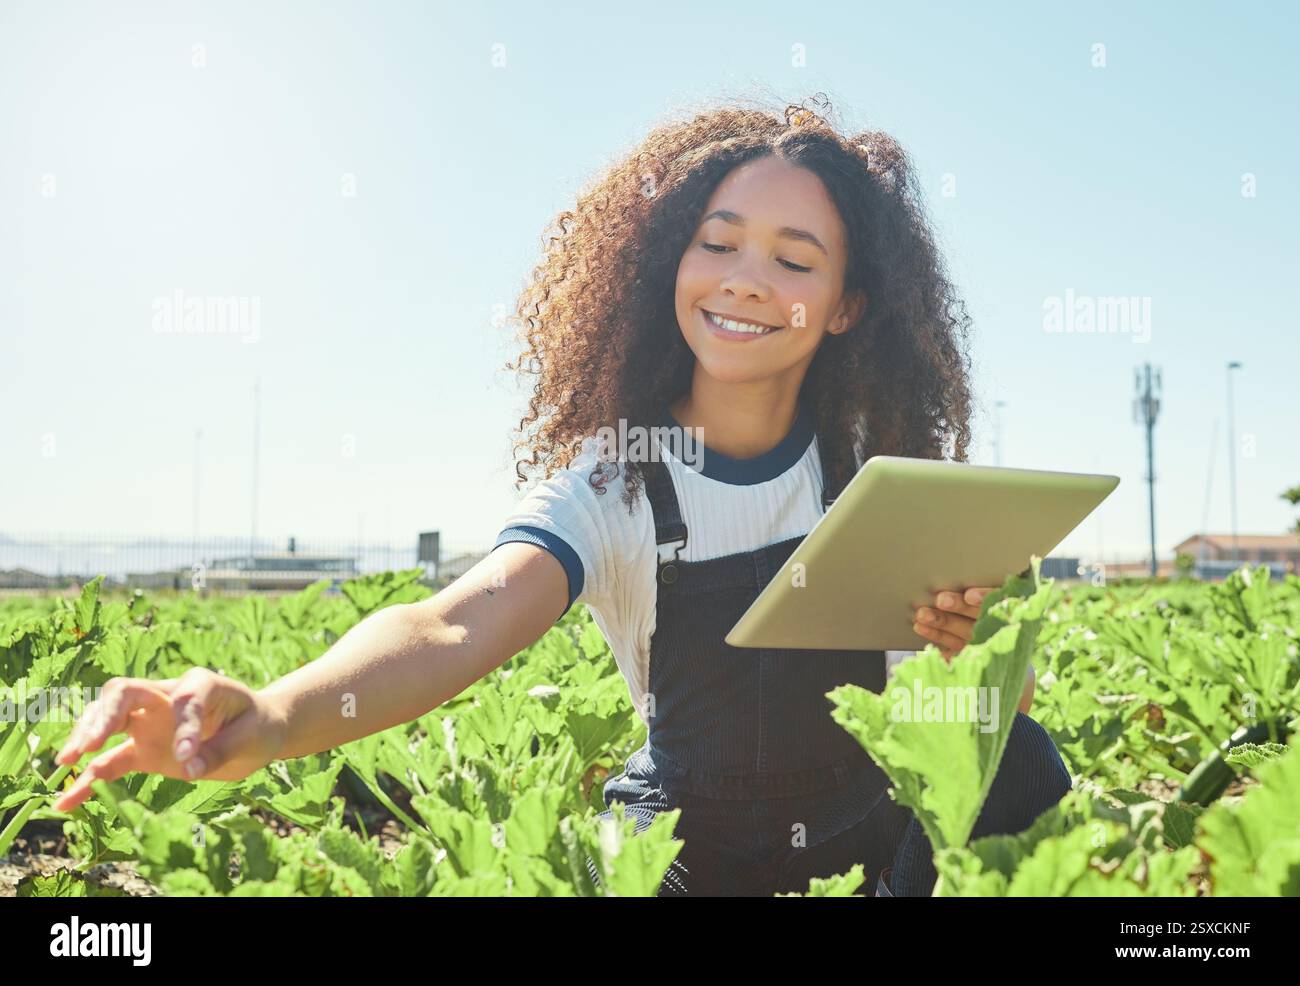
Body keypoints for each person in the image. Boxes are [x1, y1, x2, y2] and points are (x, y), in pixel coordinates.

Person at [52, 96, 1070, 896]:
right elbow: (453, 624)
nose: (746, 278)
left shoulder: (873, 473)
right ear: (668, 260)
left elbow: (975, 717)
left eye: (793, 259)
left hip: (858, 832)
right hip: (682, 845)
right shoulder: (616, 473)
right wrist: (272, 714)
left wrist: (969, 656)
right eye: (717, 242)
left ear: (849, 305)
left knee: (1017, 756)